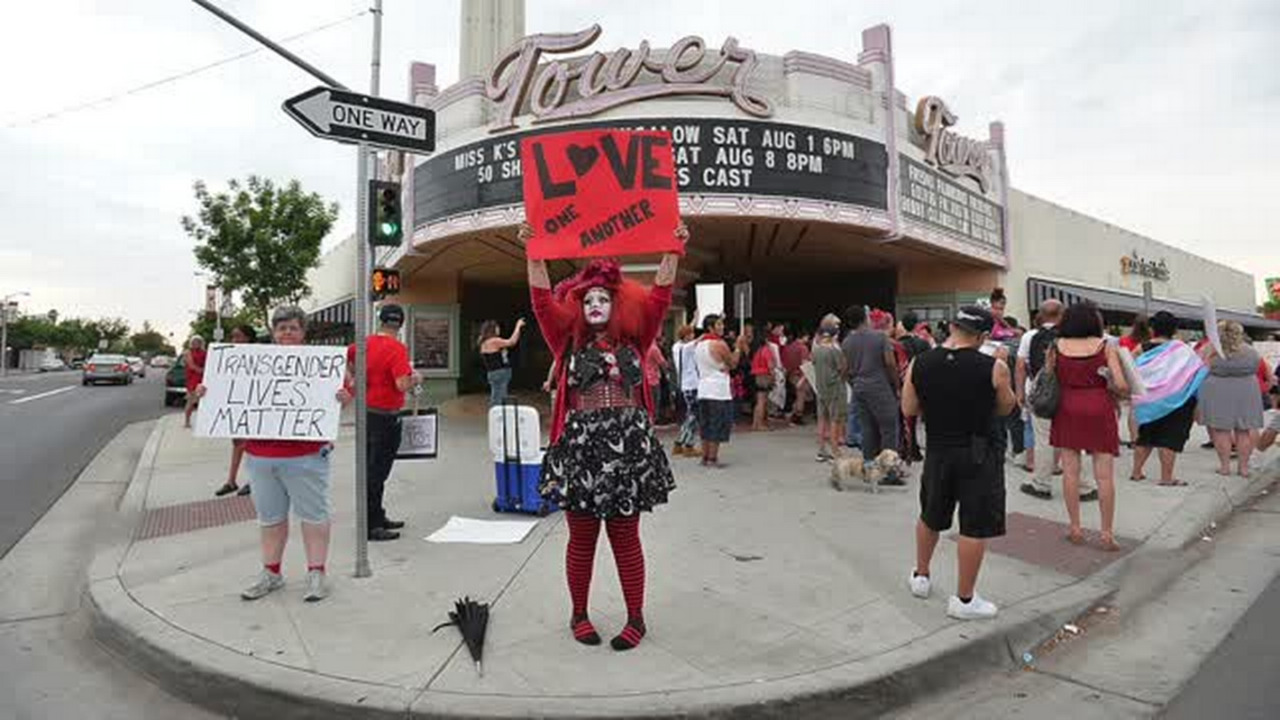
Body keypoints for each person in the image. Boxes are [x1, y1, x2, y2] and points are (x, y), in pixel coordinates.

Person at [523, 222, 684, 652]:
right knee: (582, 537)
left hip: (628, 447)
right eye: (588, 298)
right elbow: (541, 304)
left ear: (619, 304)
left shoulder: (638, 337)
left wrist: (673, 250)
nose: (595, 304)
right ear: (578, 305)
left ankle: (636, 617)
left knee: (626, 535)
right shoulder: (567, 343)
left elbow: (660, 298)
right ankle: (578, 613)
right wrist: (534, 254)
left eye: (604, 298)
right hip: (581, 446)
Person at [196, 306, 353, 603]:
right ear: (273, 332)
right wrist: (208, 394)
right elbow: (223, 392)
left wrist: (344, 398)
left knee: (314, 516)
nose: (287, 333)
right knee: (270, 519)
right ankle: (271, 572)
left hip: (306, 455)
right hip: (261, 456)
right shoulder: (253, 362)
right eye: (281, 328)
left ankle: (317, 573)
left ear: (303, 332)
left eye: (293, 328)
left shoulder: (321, 364)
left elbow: (341, 398)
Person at [903, 306, 1016, 620]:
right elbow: (1007, 407)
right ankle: (964, 600)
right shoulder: (994, 367)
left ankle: (921, 576)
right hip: (978, 452)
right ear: (982, 336)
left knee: (930, 514)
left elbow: (909, 407)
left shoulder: (919, 363)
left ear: (952, 327)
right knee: (973, 525)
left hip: (939, 449)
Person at [1051, 301, 1129, 551]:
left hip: (1067, 406)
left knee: (1070, 471)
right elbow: (1121, 385)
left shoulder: (1056, 346)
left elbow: (1048, 376)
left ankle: (1075, 527)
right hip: (1099, 406)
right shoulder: (1105, 347)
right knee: (1104, 475)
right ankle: (1106, 532)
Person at [347, 304, 422, 541]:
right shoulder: (397, 348)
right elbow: (401, 384)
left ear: (380, 321)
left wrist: (358, 381)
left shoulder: (362, 344)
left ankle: (377, 516)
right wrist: (416, 378)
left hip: (365, 412)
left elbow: (346, 362)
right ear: (400, 323)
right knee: (377, 472)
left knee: (369, 468)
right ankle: (371, 525)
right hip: (385, 415)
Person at [1015, 299, 1098, 502]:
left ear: (1040, 316)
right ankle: (1086, 486)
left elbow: (1019, 366)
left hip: (1043, 396)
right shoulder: (1073, 336)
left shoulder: (1029, 336)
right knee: (1077, 441)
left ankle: (1041, 484)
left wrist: (1020, 393)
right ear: (1062, 315)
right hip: (1072, 395)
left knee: (1044, 441)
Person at [1130, 311, 1207, 486]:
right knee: (1169, 439)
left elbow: (1131, 369)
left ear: (1152, 329)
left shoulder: (1141, 348)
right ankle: (1166, 477)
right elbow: (1197, 371)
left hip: (1149, 401)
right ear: (1174, 329)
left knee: (1146, 437)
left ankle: (1136, 472)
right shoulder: (1182, 349)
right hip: (1177, 400)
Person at [1198, 321, 1265, 477]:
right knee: (1244, 430)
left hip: (1217, 389)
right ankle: (1243, 468)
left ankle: (1225, 467)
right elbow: (1256, 367)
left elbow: (1201, 367)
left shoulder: (1210, 350)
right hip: (1246, 390)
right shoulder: (1251, 351)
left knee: (1221, 430)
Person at [842, 305, 901, 465]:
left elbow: (844, 370)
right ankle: (889, 470)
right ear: (865, 318)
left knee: (867, 428)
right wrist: (897, 385)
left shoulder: (847, 341)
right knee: (889, 427)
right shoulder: (880, 337)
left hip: (859, 388)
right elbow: (890, 363)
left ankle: (869, 465)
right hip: (879, 386)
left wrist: (854, 383)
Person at [214, 324, 258, 497]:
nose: (235, 340)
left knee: (250, 444)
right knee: (238, 443)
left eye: (238, 336)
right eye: (233, 337)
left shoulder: (259, 354)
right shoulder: (230, 356)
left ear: (248, 337)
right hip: (237, 403)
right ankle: (231, 481)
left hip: (254, 405)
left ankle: (252, 480)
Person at [696, 314, 741, 467]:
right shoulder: (719, 344)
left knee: (705, 424)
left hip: (703, 388)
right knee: (717, 424)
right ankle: (713, 458)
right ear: (711, 327)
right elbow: (733, 363)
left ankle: (705, 457)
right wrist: (738, 349)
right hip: (718, 390)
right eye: (719, 324)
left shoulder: (699, 344)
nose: (722, 327)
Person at [812, 314, 848, 462]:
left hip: (820, 387)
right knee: (835, 419)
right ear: (835, 335)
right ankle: (834, 450)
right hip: (835, 387)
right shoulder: (835, 350)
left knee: (822, 419)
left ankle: (821, 450)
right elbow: (843, 368)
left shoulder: (817, 349)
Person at [671, 324, 702, 457]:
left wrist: (694, 319)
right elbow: (700, 340)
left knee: (692, 416)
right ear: (687, 336)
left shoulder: (676, 347)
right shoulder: (688, 347)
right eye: (691, 333)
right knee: (692, 416)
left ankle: (685, 444)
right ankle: (683, 444)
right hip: (692, 385)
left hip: (684, 385)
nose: (693, 335)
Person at [479, 318, 525, 407]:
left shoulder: (483, 342)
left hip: (491, 372)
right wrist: (518, 326)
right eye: (497, 328)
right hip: (500, 372)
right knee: (501, 397)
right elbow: (512, 342)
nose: (498, 329)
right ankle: (498, 417)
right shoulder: (494, 341)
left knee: (495, 395)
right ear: (492, 329)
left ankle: (494, 415)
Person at [748, 324, 779, 431]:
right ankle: (760, 424)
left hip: (756, 375)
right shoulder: (766, 349)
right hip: (764, 376)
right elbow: (770, 365)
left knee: (758, 401)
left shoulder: (757, 350)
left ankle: (755, 423)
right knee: (762, 401)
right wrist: (774, 376)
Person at [782, 329, 812, 425]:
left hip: (790, 374)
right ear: (804, 337)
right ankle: (797, 416)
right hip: (799, 375)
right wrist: (804, 378)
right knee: (800, 397)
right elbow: (805, 364)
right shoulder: (803, 348)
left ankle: (789, 416)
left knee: (793, 396)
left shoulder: (789, 347)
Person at [182, 335, 207, 429]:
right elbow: (191, 365)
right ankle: (187, 421)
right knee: (191, 400)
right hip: (193, 378)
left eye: (198, 342)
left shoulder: (204, 352)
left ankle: (204, 421)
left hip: (203, 378)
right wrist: (202, 370)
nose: (196, 343)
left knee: (204, 400)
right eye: (194, 342)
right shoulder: (188, 352)